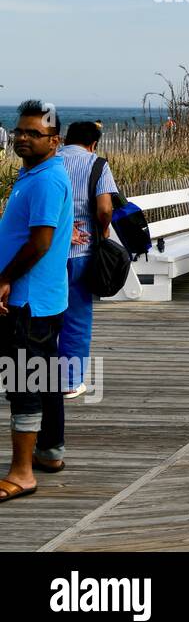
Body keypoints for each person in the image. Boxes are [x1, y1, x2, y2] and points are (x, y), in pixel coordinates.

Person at [0, 100, 75, 501]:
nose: (23, 138)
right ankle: (49, 453)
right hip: (44, 297)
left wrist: (4, 278)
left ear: (54, 141)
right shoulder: (35, 173)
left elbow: (41, 242)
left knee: (22, 380)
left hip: (28, 299)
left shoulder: (46, 180)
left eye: (34, 133)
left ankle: (22, 472)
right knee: (44, 378)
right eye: (19, 132)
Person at [57, 121, 118, 398]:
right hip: (81, 253)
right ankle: (69, 382)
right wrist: (103, 230)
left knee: (41, 318)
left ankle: (32, 377)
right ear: (94, 144)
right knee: (77, 318)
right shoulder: (97, 165)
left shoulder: (48, 162)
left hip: (45, 252)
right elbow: (105, 208)